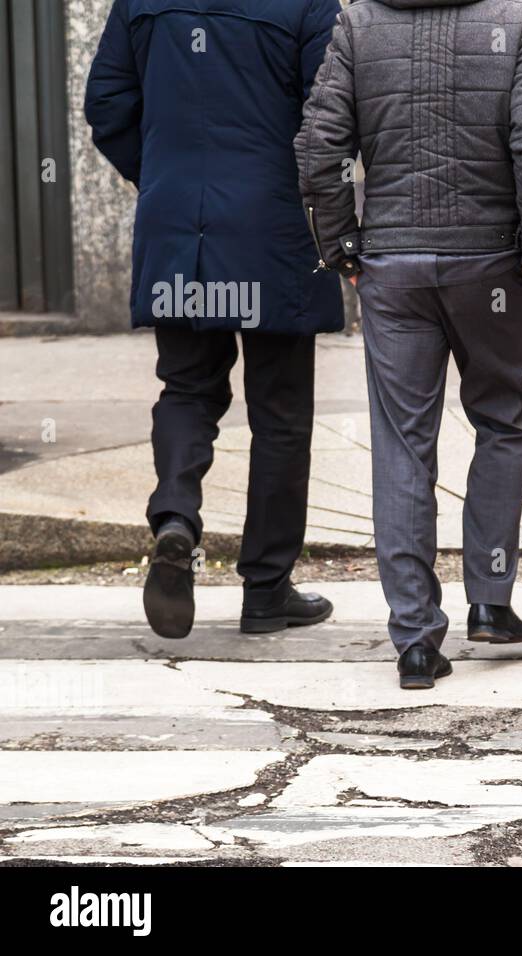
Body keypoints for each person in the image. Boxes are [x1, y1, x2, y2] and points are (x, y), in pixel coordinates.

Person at [296, 0, 522, 690]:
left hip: (392, 264)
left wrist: (340, 245)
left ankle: (415, 638)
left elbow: (319, 145)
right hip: (490, 264)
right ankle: (490, 598)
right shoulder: (520, 19)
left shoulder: (357, 24)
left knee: (402, 443)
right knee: (502, 420)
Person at [85, 0, 344, 641]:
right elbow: (331, 115)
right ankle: (265, 589)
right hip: (272, 225)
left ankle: (175, 517)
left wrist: (164, 175)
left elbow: (107, 105)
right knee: (280, 412)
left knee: (187, 386)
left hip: (177, 222)